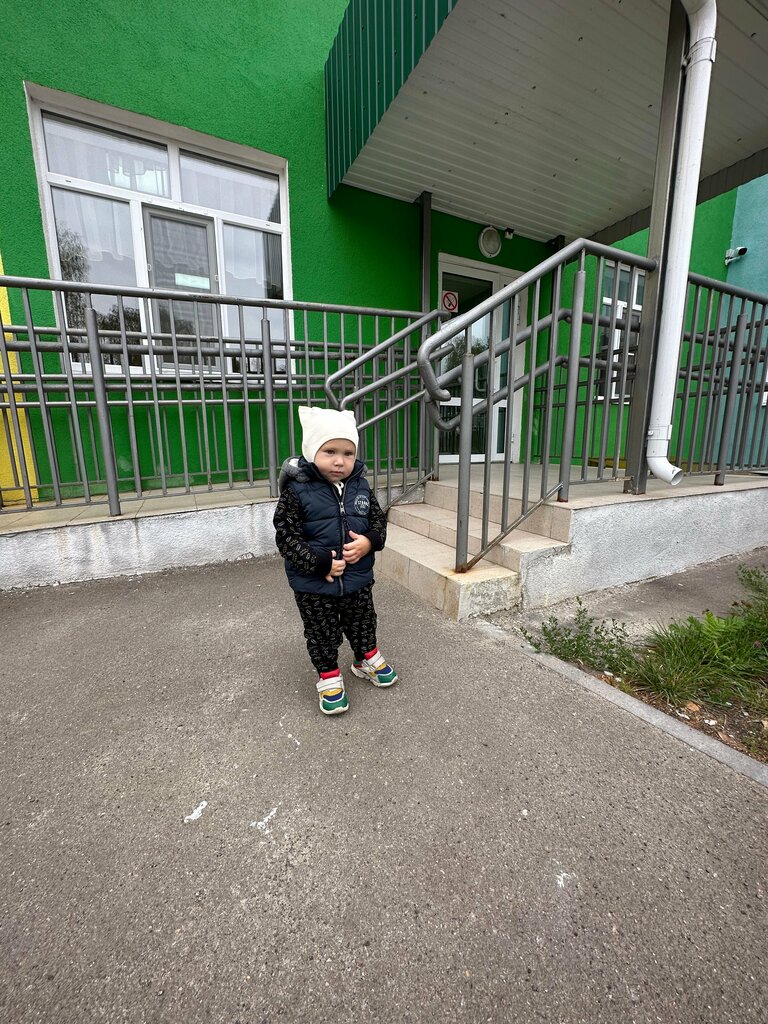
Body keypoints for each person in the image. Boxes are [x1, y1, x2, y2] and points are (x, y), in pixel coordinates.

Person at [273, 405, 398, 715]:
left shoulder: (360, 486)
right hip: (314, 585)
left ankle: (364, 658)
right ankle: (328, 675)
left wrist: (369, 542)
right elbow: (286, 536)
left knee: (363, 620)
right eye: (330, 451)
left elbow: (377, 520)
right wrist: (320, 562)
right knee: (322, 631)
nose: (340, 461)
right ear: (311, 450)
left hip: (357, 578)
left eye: (348, 453)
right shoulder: (297, 491)